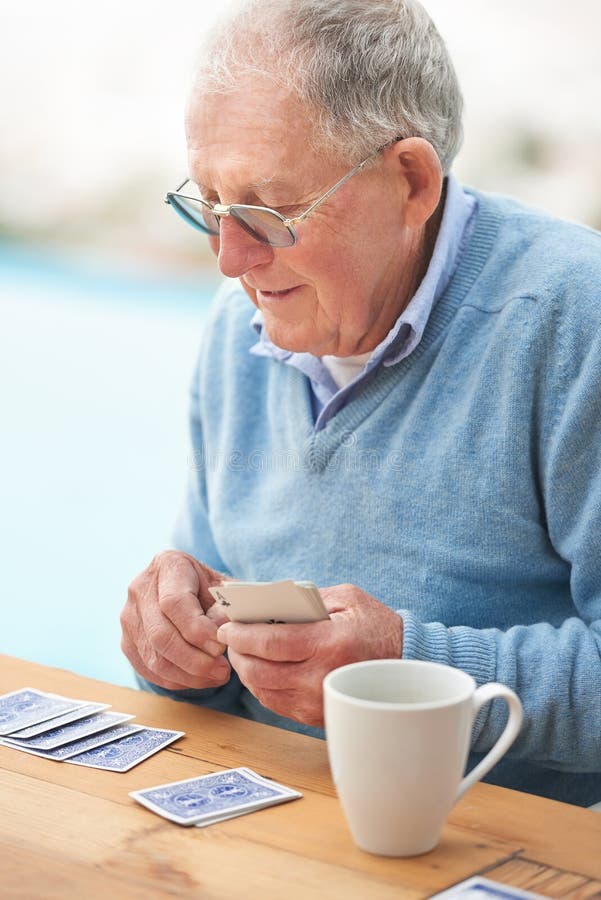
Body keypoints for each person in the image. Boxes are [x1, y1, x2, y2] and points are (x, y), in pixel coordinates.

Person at [120, 0, 601, 806]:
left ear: (410, 181)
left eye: (267, 212)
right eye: (208, 206)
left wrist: (411, 669)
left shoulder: (572, 320)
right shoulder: (240, 319)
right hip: (270, 829)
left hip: (494, 848)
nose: (229, 259)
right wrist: (174, 646)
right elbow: (209, 636)